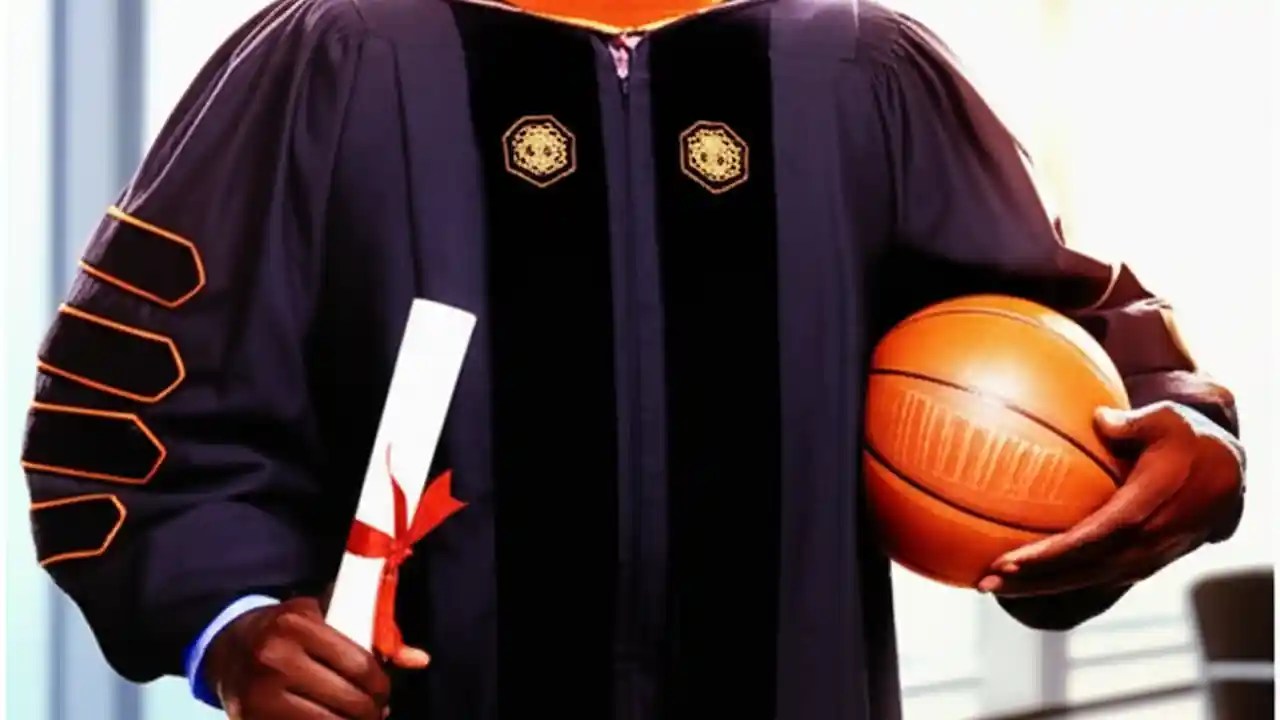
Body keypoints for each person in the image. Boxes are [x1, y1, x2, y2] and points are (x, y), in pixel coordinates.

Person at [20, 0, 1246, 718]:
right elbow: (129, 414)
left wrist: (1176, 434)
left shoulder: (853, 67)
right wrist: (231, 624)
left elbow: (1056, 333)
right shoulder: (335, 55)